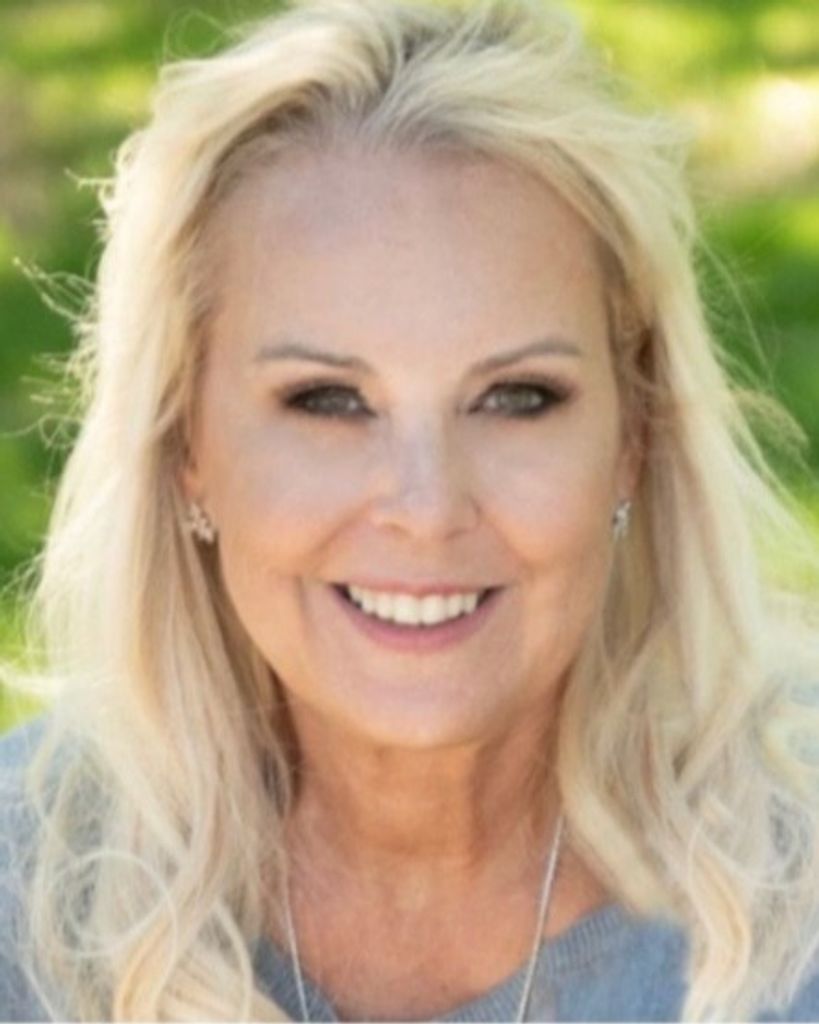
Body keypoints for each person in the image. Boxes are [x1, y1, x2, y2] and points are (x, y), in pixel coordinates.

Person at [1, 0, 819, 1019]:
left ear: (633, 436)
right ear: (185, 448)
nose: (426, 509)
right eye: (327, 401)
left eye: (515, 398)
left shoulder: (796, 912)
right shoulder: (23, 904)